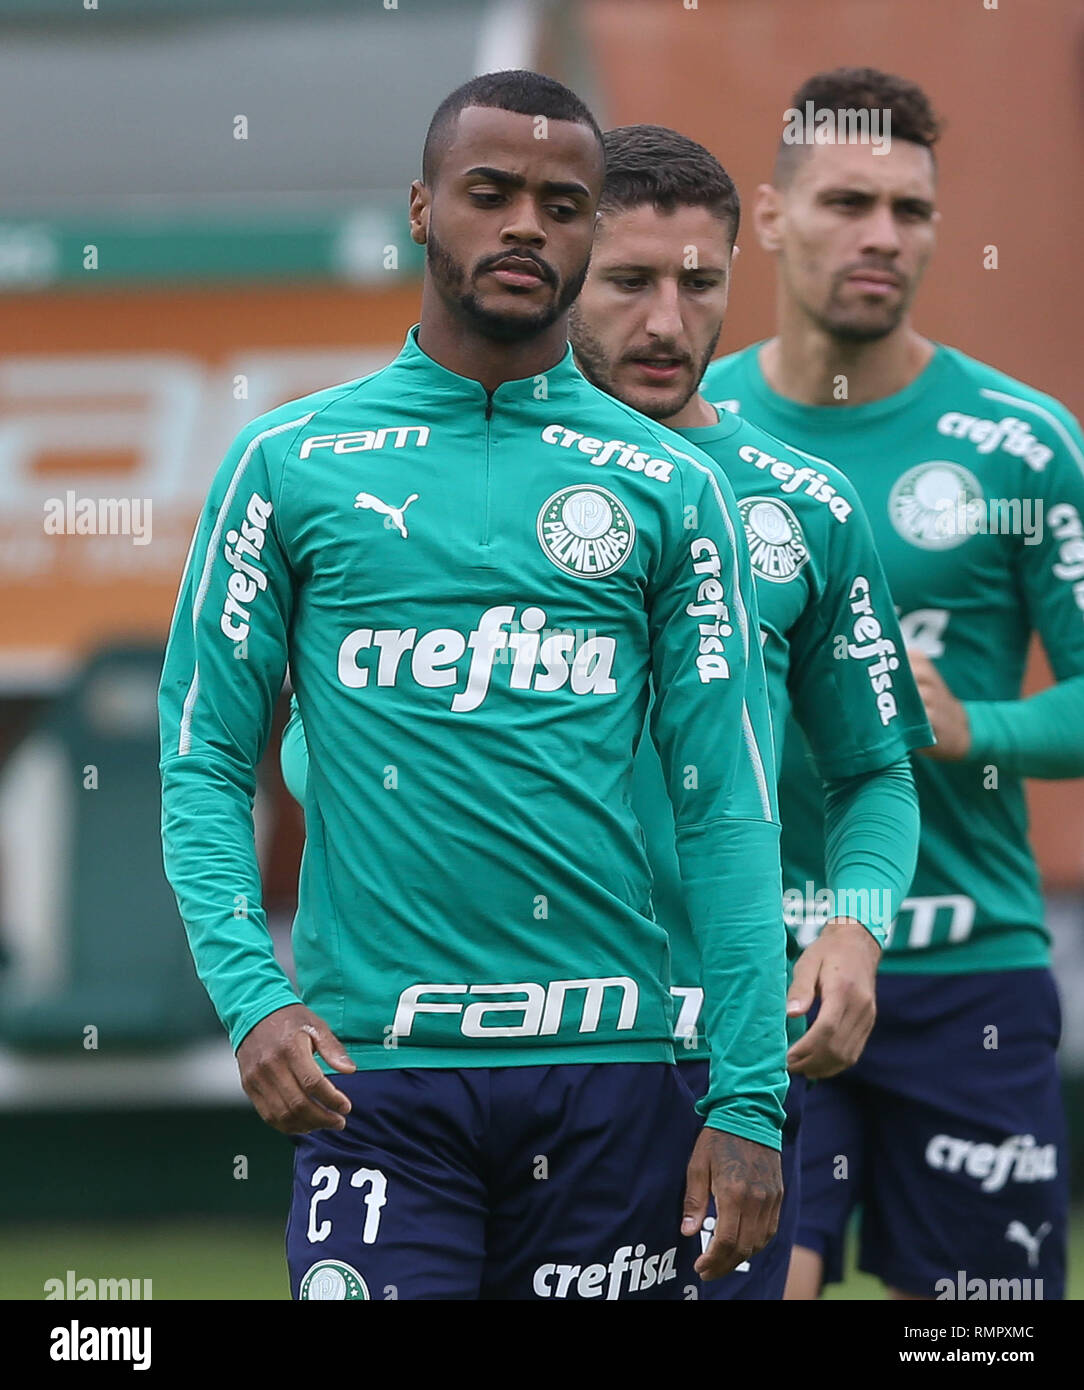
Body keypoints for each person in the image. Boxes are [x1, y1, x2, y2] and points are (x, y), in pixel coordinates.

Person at [159, 69, 787, 1303]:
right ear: (419, 206)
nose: (524, 227)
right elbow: (204, 758)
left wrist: (751, 1096)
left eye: (563, 205)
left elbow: (726, 807)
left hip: (613, 1074)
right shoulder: (289, 463)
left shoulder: (670, 486)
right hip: (378, 1080)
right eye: (489, 193)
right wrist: (251, 1000)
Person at [282, 120, 931, 1300]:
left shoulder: (804, 509)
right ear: (574, 270)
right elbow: (309, 744)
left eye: (699, 283)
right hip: (460, 1051)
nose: (668, 324)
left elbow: (873, 769)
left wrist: (854, 925)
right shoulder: (425, 482)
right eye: (631, 282)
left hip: (714, 1053)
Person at [703, 66, 1084, 1301]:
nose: (882, 236)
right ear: (767, 217)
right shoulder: (686, 444)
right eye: (847, 202)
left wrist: (977, 727)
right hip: (754, 966)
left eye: (909, 210)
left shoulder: (1020, 444)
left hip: (962, 965)